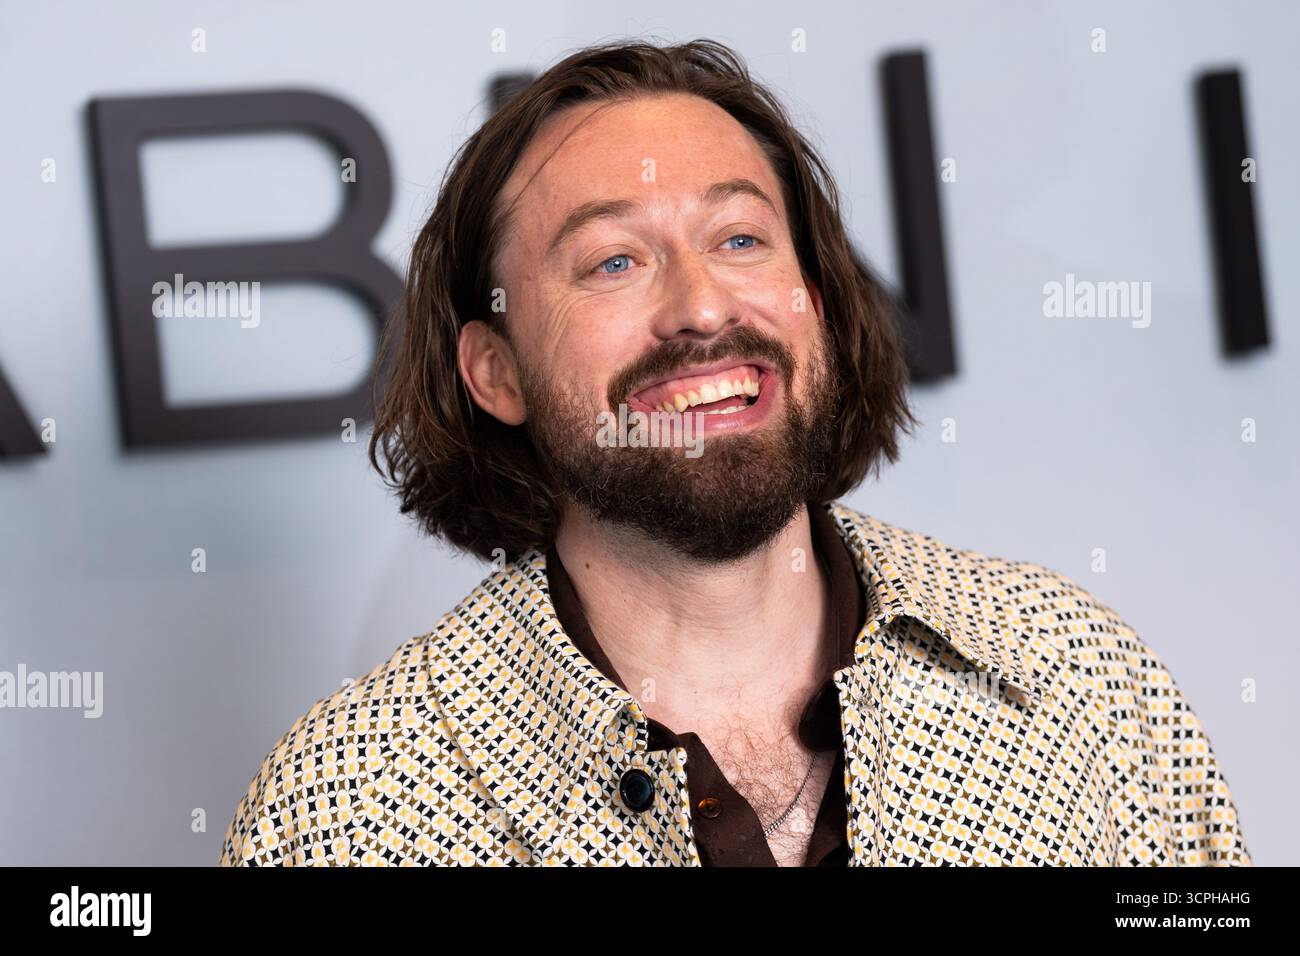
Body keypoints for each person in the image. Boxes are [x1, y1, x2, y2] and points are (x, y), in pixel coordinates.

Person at [219, 38, 1250, 866]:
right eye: (612, 260)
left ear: (821, 304)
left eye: (741, 238)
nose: (703, 305)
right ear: (497, 373)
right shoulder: (340, 810)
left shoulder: (1082, 676)